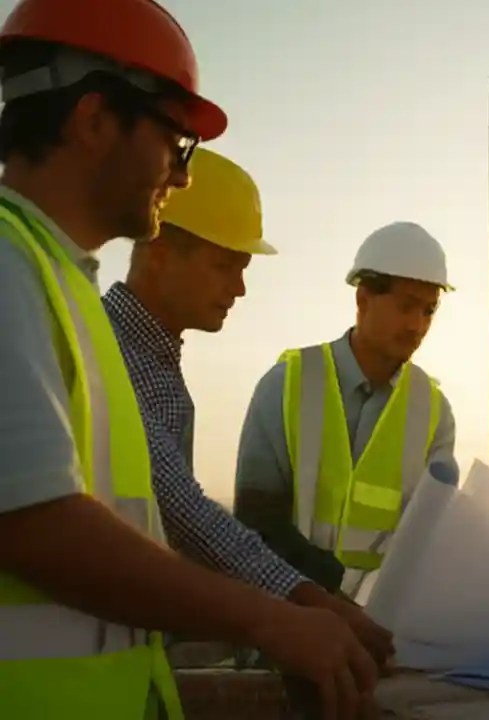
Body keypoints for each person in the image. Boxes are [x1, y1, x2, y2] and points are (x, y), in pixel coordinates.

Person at [0, 1, 377, 718]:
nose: (178, 178)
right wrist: (275, 616)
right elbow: (35, 525)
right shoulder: (9, 266)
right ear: (94, 122)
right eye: (177, 143)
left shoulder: (61, 287)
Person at [103, 146, 394, 662]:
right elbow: (184, 513)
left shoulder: (143, 356)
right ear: (161, 251)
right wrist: (304, 603)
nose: (239, 288)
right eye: (225, 266)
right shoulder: (117, 359)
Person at [235, 221, 459, 601]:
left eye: (428, 311)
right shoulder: (286, 385)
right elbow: (256, 522)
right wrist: (329, 586)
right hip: (288, 619)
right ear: (363, 299)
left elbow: (427, 541)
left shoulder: (434, 411)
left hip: (382, 628)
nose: (417, 325)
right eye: (407, 306)